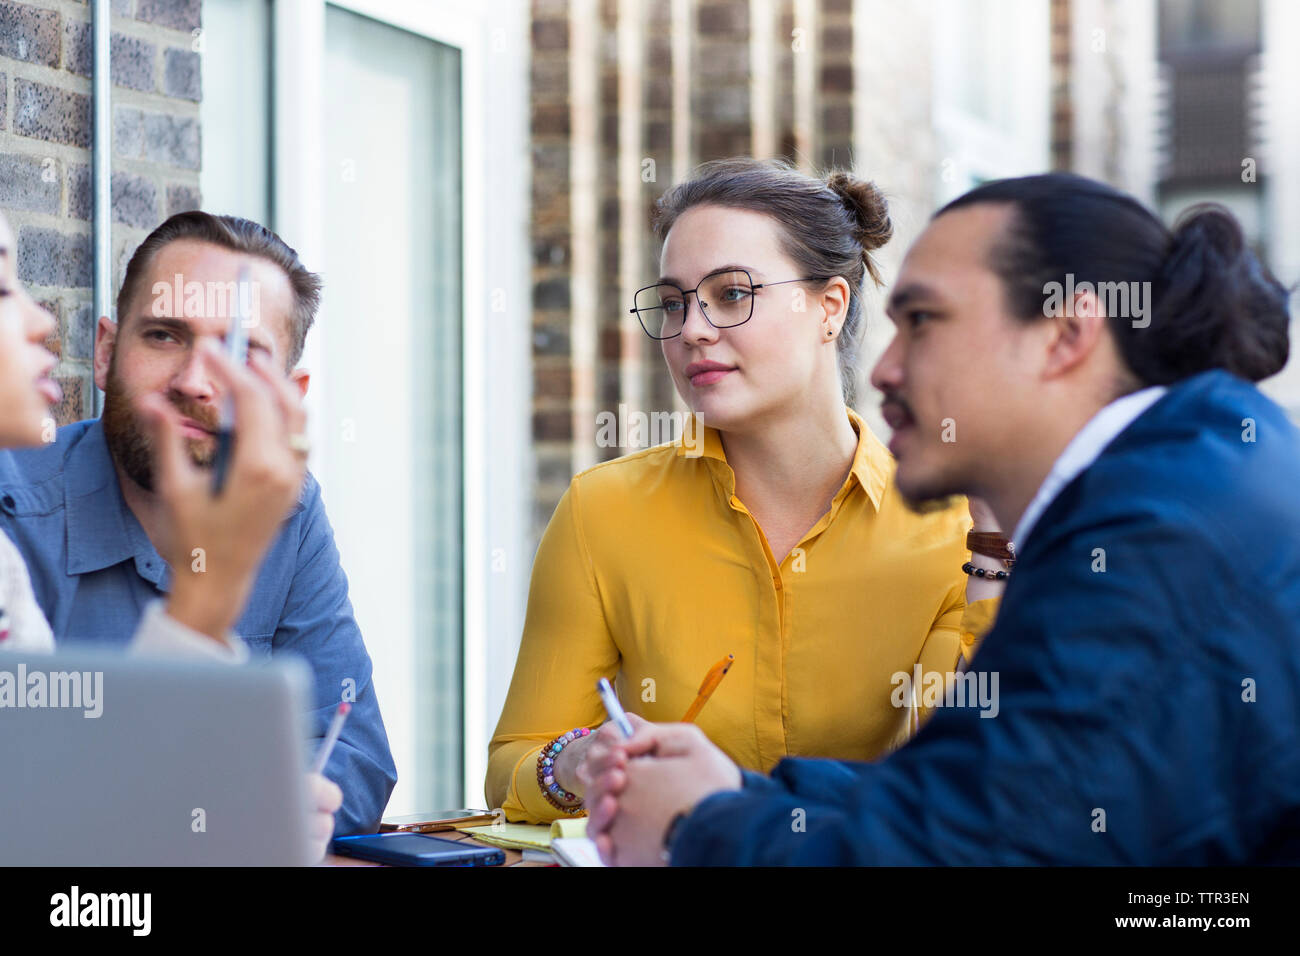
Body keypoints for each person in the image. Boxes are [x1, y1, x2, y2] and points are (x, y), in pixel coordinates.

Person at [582, 172, 1300, 865]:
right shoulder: (1188, 480)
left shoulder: (1156, 541)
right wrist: (737, 791)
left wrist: (693, 827)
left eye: (923, 321)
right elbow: (987, 796)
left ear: (1065, 334)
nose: (886, 370)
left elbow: (960, 853)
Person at [488, 158, 1005, 823]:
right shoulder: (602, 512)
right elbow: (510, 769)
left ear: (829, 306)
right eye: (674, 302)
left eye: (732, 294)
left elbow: (967, 773)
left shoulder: (952, 528)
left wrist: (993, 551)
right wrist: (578, 762)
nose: (692, 329)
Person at [0, 210, 396, 840]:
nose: (194, 382)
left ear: (288, 398)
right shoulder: (12, 513)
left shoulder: (286, 513)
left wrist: (264, 800)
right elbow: (38, 816)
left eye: (240, 354)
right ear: (105, 353)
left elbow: (356, 757)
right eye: (163, 336)